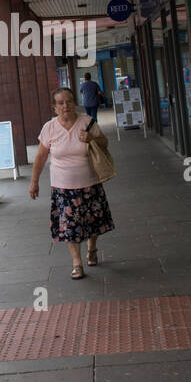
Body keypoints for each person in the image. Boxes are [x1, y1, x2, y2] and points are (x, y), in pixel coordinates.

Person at [29, 86, 114, 279]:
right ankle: (77, 263)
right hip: (63, 188)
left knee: (93, 222)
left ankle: (92, 248)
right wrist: (34, 182)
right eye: (60, 103)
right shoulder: (49, 128)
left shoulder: (87, 122)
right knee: (69, 227)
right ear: (54, 107)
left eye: (68, 101)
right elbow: (41, 157)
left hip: (90, 183)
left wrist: (92, 138)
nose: (65, 106)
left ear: (75, 103)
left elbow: (104, 143)